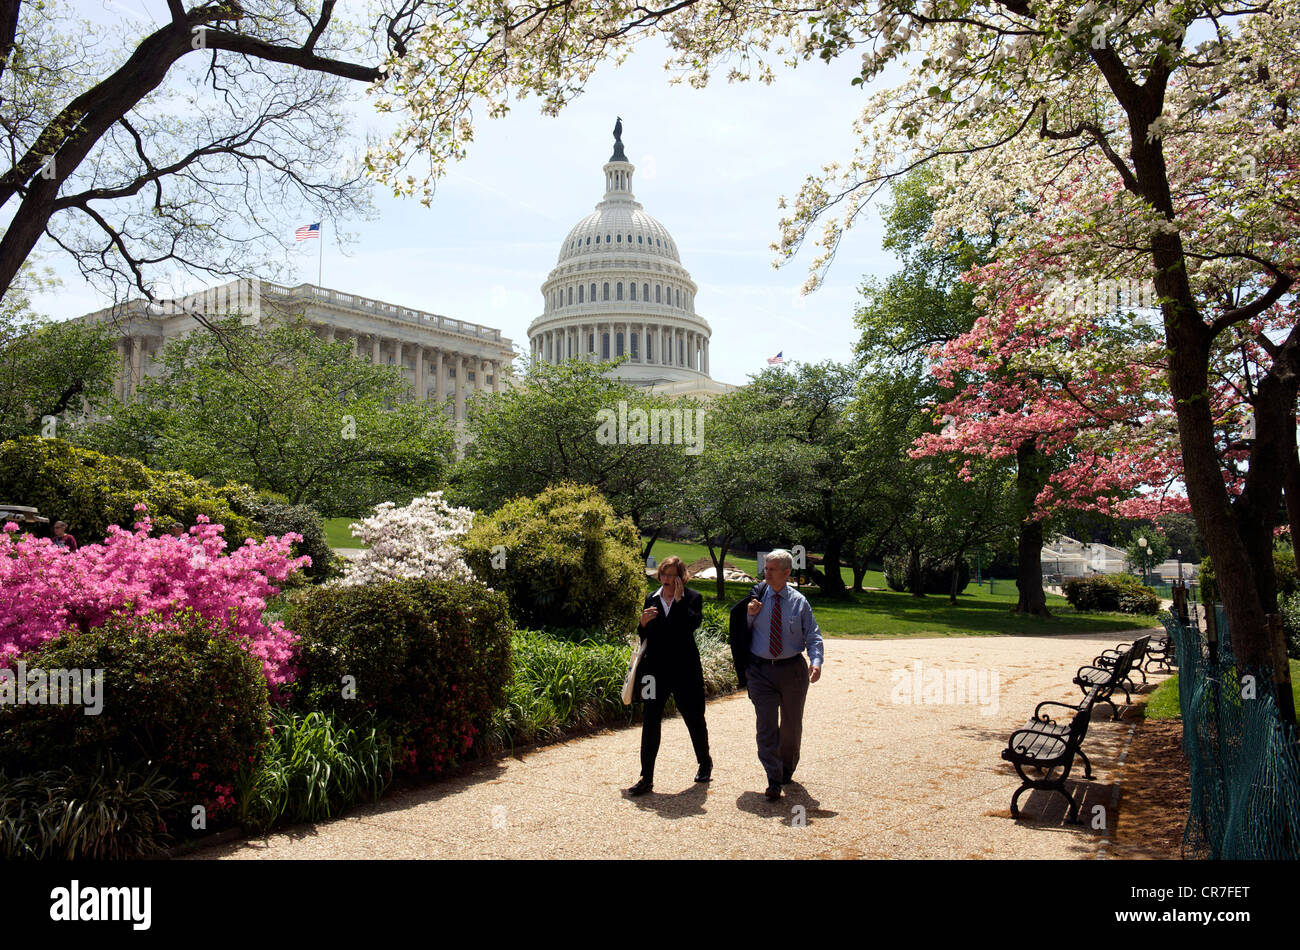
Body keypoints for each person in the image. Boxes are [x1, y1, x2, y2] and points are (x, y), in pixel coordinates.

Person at [729, 549, 823, 802]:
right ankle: (773, 778)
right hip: (760, 671)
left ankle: (786, 770)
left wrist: (816, 661)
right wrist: (750, 617)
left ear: (786, 573)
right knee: (766, 725)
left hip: (792, 670)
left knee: (791, 727)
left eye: (772, 569)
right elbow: (740, 633)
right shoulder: (755, 597)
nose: (766, 573)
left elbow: (813, 635)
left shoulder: (799, 602)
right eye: (765, 568)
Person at [627, 555, 712, 796]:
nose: (666, 579)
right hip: (655, 672)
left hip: (685, 671)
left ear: (681, 577)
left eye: (672, 575)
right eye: (663, 574)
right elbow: (644, 636)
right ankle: (646, 777)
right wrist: (642, 623)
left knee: (694, 718)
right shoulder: (651, 598)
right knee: (651, 720)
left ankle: (704, 762)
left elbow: (691, 626)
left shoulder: (693, 598)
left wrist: (679, 601)